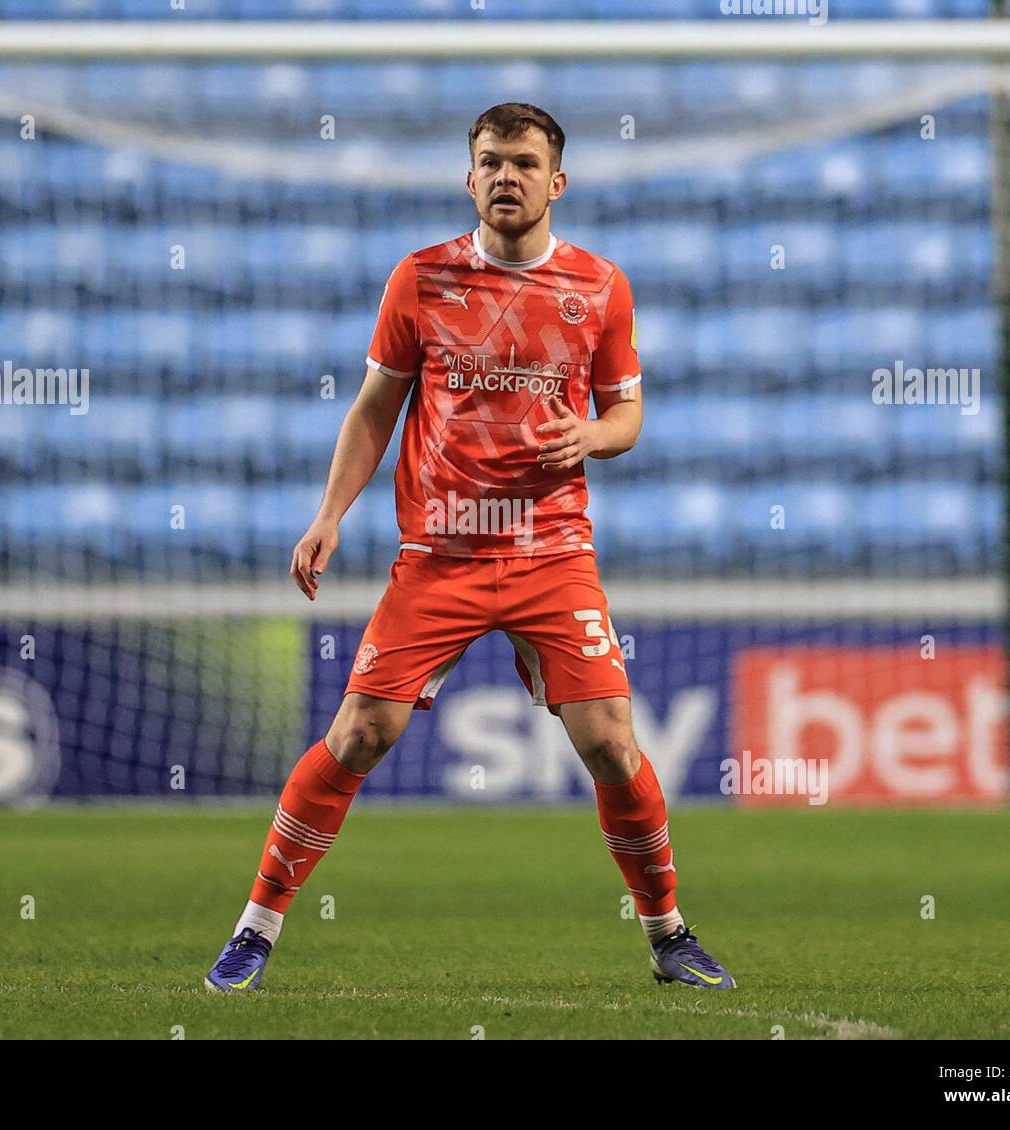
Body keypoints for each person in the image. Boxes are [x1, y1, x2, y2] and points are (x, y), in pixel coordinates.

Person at [206, 103, 735, 993]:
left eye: (524, 163)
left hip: (551, 552)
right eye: (490, 161)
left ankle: (670, 936)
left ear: (556, 182)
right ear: (469, 176)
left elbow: (628, 415)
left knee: (610, 741)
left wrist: (591, 440)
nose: (505, 176)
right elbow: (376, 406)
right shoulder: (420, 280)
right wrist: (330, 513)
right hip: (440, 554)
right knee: (360, 732)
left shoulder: (601, 286)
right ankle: (254, 931)